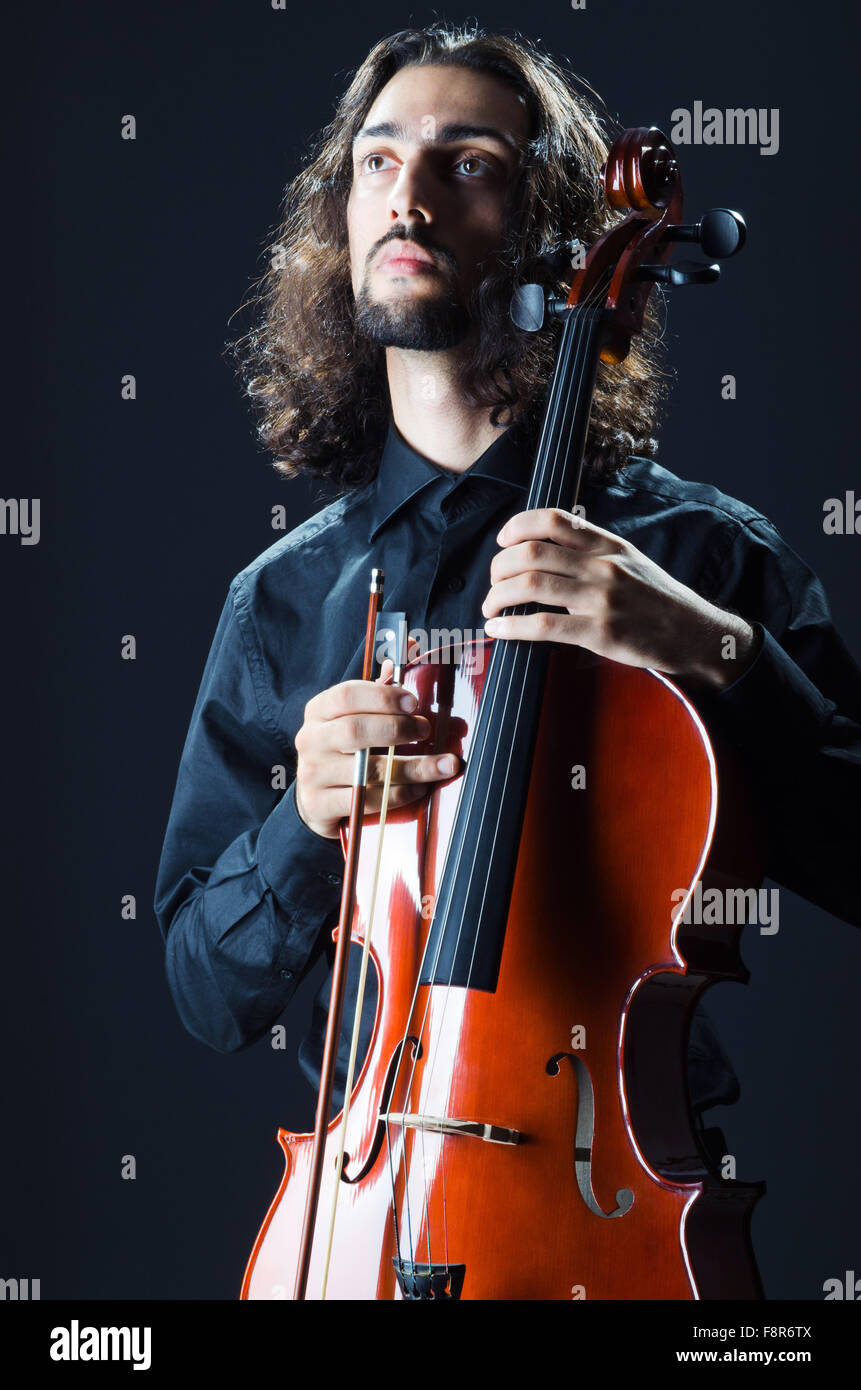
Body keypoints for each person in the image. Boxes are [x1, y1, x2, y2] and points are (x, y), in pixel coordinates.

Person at [154, 24, 861, 1131]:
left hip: (615, 1190)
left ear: (556, 231)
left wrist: (711, 649)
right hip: (365, 1207)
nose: (409, 197)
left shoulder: (700, 557)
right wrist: (303, 824)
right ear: (341, 218)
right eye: (378, 161)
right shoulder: (284, 600)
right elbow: (205, 994)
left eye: (468, 162)